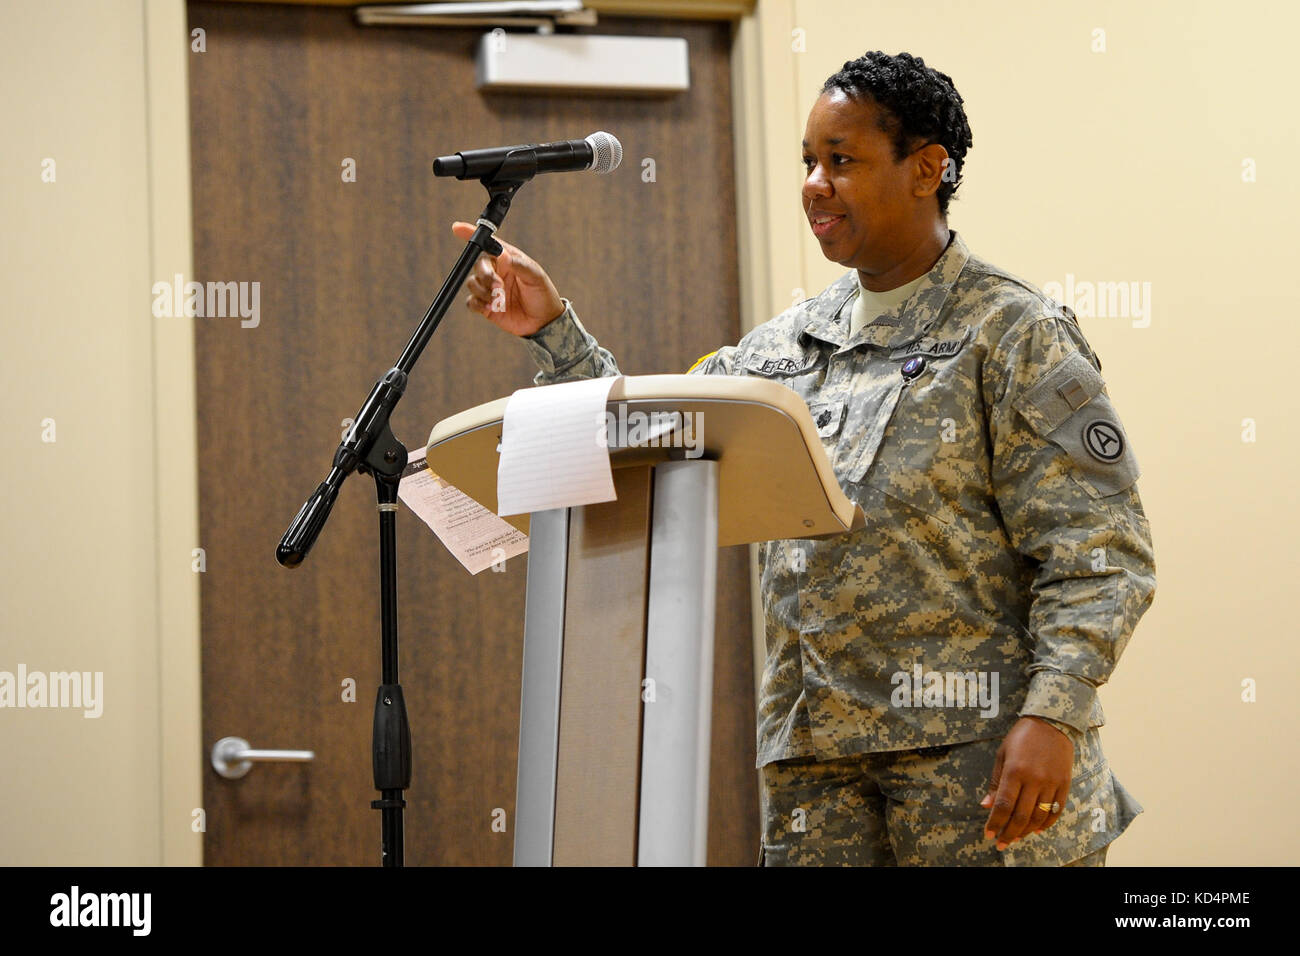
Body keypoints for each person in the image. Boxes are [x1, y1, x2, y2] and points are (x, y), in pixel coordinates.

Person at [453, 51, 1156, 867]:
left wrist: (1055, 715)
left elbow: (1102, 555)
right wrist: (553, 332)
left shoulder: (1013, 332)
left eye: (843, 161)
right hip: (816, 770)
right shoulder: (788, 344)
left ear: (928, 169)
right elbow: (653, 436)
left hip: (977, 765)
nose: (815, 184)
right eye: (809, 163)